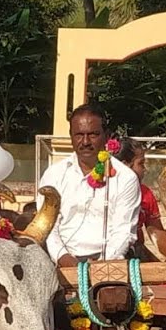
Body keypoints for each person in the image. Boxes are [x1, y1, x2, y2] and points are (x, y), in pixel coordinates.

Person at [36, 104, 142, 266]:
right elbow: (47, 226)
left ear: (106, 136)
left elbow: (123, 232)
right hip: (61, 260)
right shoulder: (54, 175)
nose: (85, 142)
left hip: (109, 263)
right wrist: (64, 259)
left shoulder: (125, 178)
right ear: (71, 136)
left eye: (93, 134)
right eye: (79, 135)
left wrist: (101, 265)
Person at [112, 137, 163, 241]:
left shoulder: (145, 193)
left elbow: (158, 233)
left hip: (135, 251)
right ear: (124, 165)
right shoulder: (102, 191)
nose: (145, 169)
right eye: (141, 163)